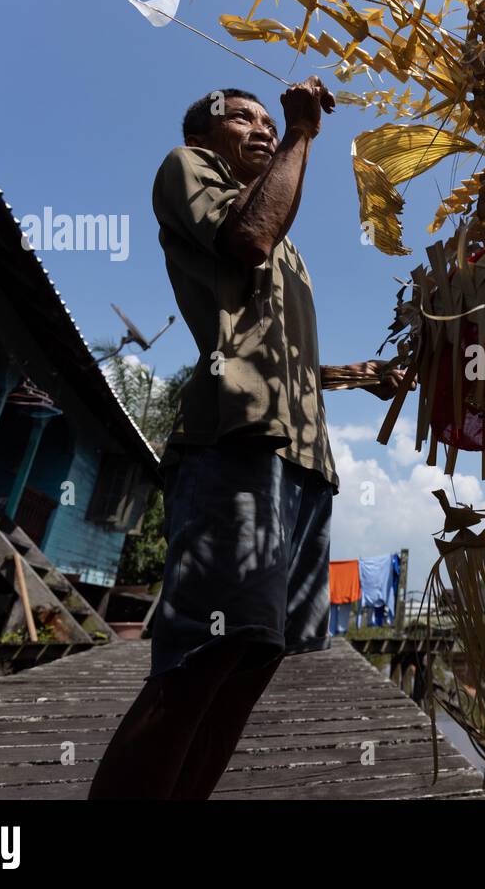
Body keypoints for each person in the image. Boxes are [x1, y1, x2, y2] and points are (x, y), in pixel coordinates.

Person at [88, 78, 407, 799]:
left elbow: (276, 349)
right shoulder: (189, 167)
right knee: (204, 652)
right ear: (206, 132)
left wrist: (360, 374)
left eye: (271, 120)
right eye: (245, 118)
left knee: (256, 658)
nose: (262, 128)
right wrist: (300, 133)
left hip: (304, 463)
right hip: (238, 443)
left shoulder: (285, 239)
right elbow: (248, 236)